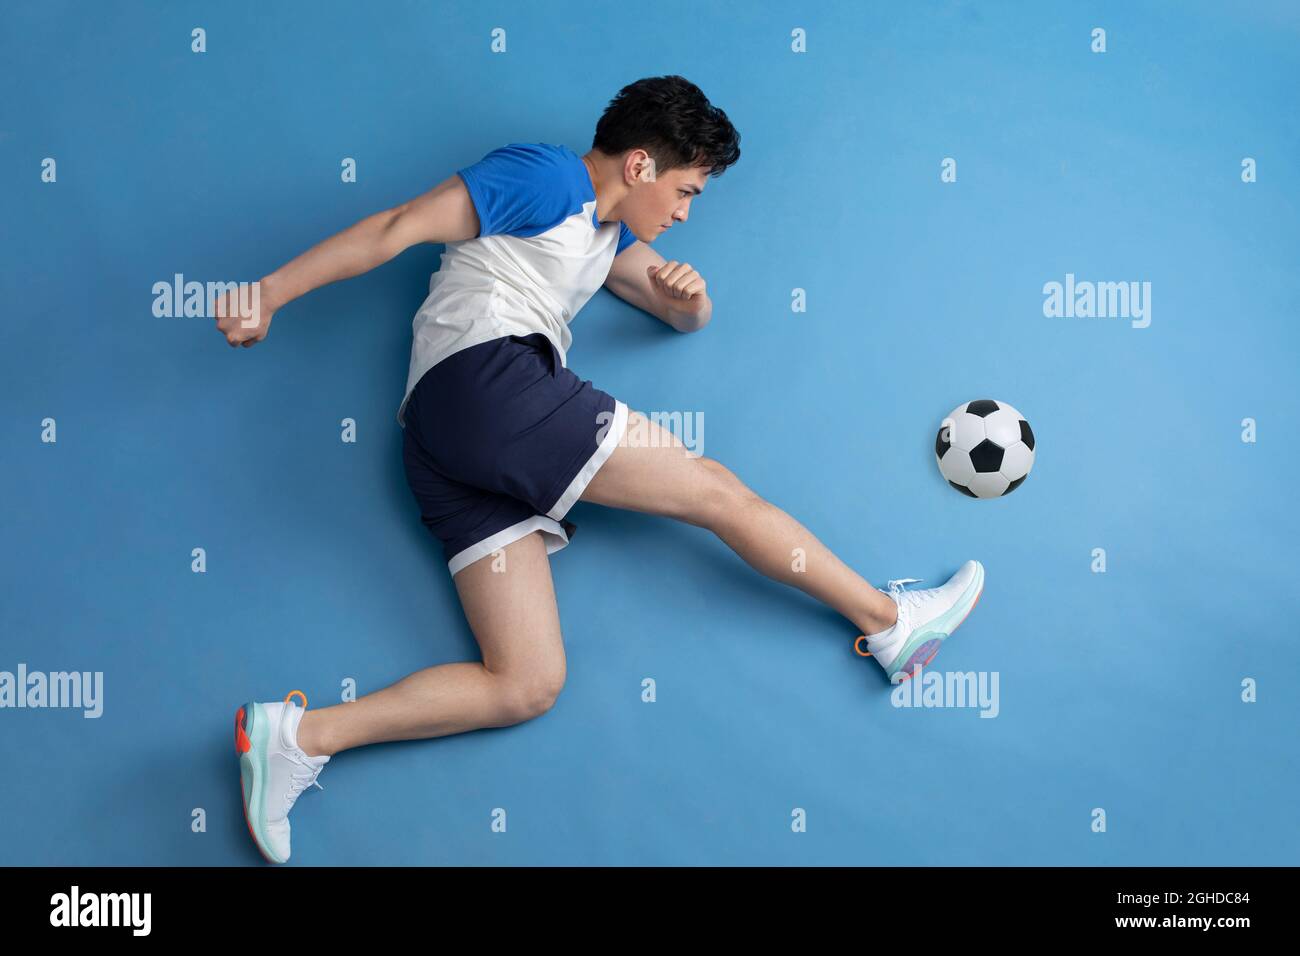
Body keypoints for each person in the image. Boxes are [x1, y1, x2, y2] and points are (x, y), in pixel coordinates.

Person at [217, 75, 985, 864]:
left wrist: (689, 299)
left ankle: (299, 737)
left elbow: (675, 311)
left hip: (442, 442)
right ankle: (889, 623)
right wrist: (269, 294)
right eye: (686, 191)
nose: (685, 213)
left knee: (526, 683)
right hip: (490, 381)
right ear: (642, 165)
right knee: (716, 493)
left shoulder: (603, 234)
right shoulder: (547, 177)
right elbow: (399, 225)